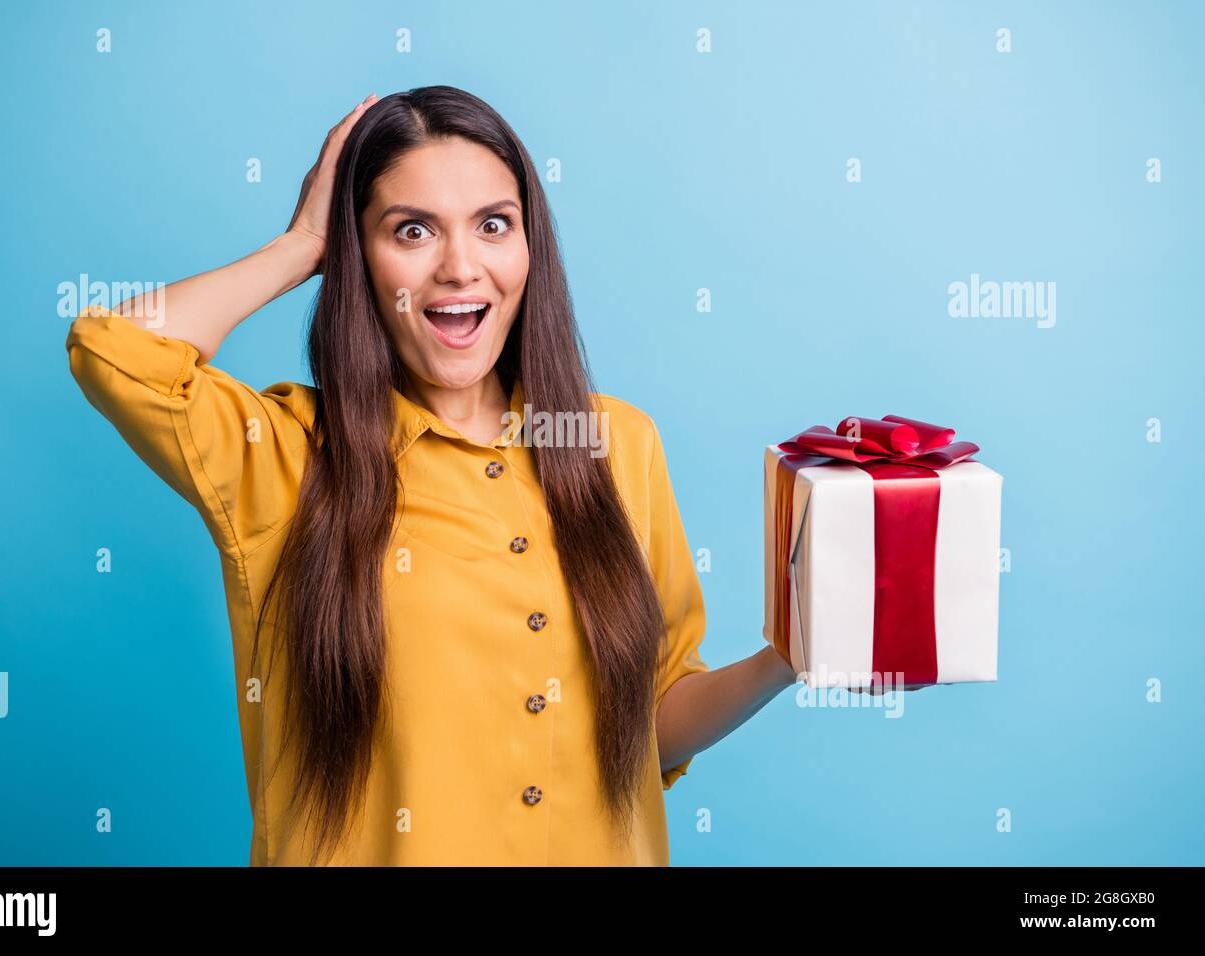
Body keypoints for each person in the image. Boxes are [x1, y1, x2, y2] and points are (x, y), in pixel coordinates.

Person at [65, 84, 799, 866]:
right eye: (411, 230)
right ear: (360, 258)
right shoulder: (284, 454)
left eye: (493, 225)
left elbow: (648, 726)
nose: (460, 267)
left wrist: (790, 658)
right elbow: (115, 350)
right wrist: (300, 247)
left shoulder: (614, 441)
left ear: (528, 246)